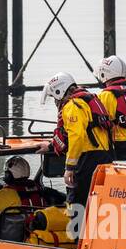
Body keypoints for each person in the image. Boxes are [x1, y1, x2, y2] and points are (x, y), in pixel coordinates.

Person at [41, 71, 113, 209]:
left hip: (87, 159)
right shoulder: (86, 101)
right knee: (92, 202)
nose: (55, 101)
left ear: (59, 91)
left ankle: (76, 230)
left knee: (76, 205)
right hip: (104, 156)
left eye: (54, 97)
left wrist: (69, 167)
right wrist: (51, 146)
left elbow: (76, 137)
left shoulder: (72, 106)